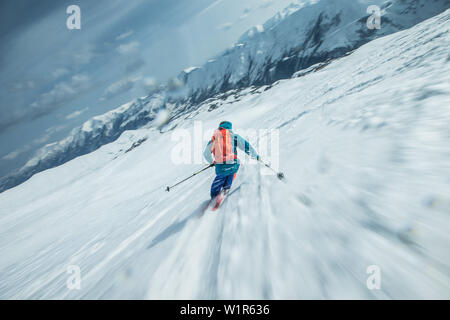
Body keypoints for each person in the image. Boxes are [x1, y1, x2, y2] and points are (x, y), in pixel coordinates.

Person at [203, 121, 260, 199]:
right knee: (231, 173)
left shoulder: (214, 138)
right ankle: (226, 188)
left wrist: (212, 162)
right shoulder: (234, 136)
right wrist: (256, 156)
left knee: (219, 179)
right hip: (233, 164)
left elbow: (206, 154)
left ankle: (214, 198)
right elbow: (246, 147)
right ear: (230, 128)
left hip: (220, 167)